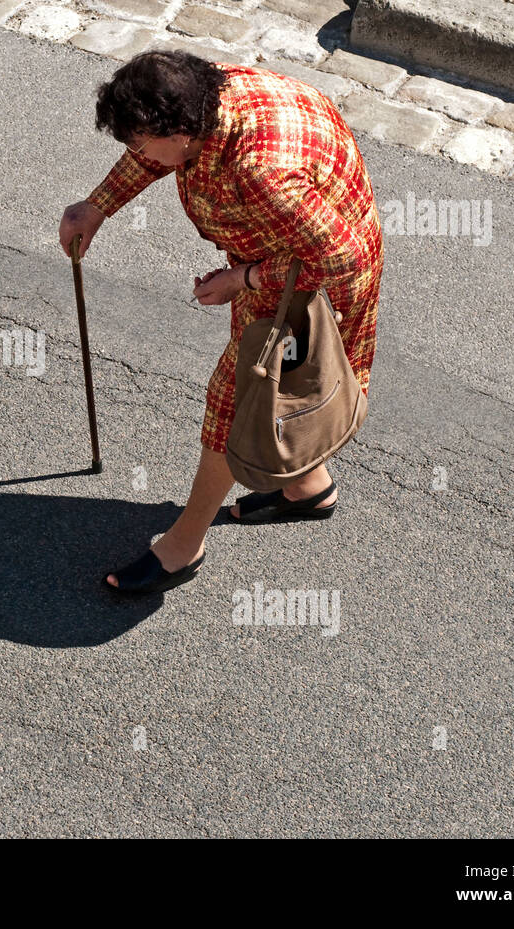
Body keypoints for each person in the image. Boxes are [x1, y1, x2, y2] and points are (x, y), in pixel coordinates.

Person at [58, 49, 384, 595]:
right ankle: (307, 487)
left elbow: (340, 258)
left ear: (183, 131)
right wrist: (97, 206)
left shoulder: (261, 172)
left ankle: (183, 545)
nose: (136, 153)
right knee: (288, 394)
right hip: (293, 246)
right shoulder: (209, 97)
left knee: (238, 402)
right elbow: (157, 150)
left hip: (313, 277)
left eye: (138, 144)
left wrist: (245, 279)